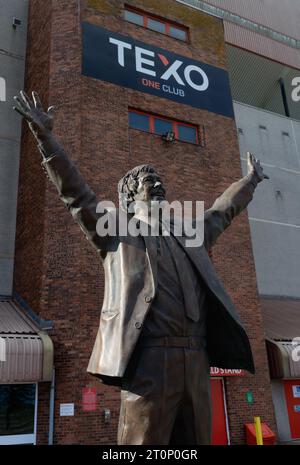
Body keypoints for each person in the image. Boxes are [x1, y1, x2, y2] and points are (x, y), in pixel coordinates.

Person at [13, 90, 269, 445]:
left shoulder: (191, 234)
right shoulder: (116, 231)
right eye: (150, 183)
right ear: (130, 197)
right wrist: (46, 138)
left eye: (160, 181)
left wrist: (251, 180)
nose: (159, 184)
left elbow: (223, 210)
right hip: (150, 361)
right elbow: (76, 193)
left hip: (197, 360)